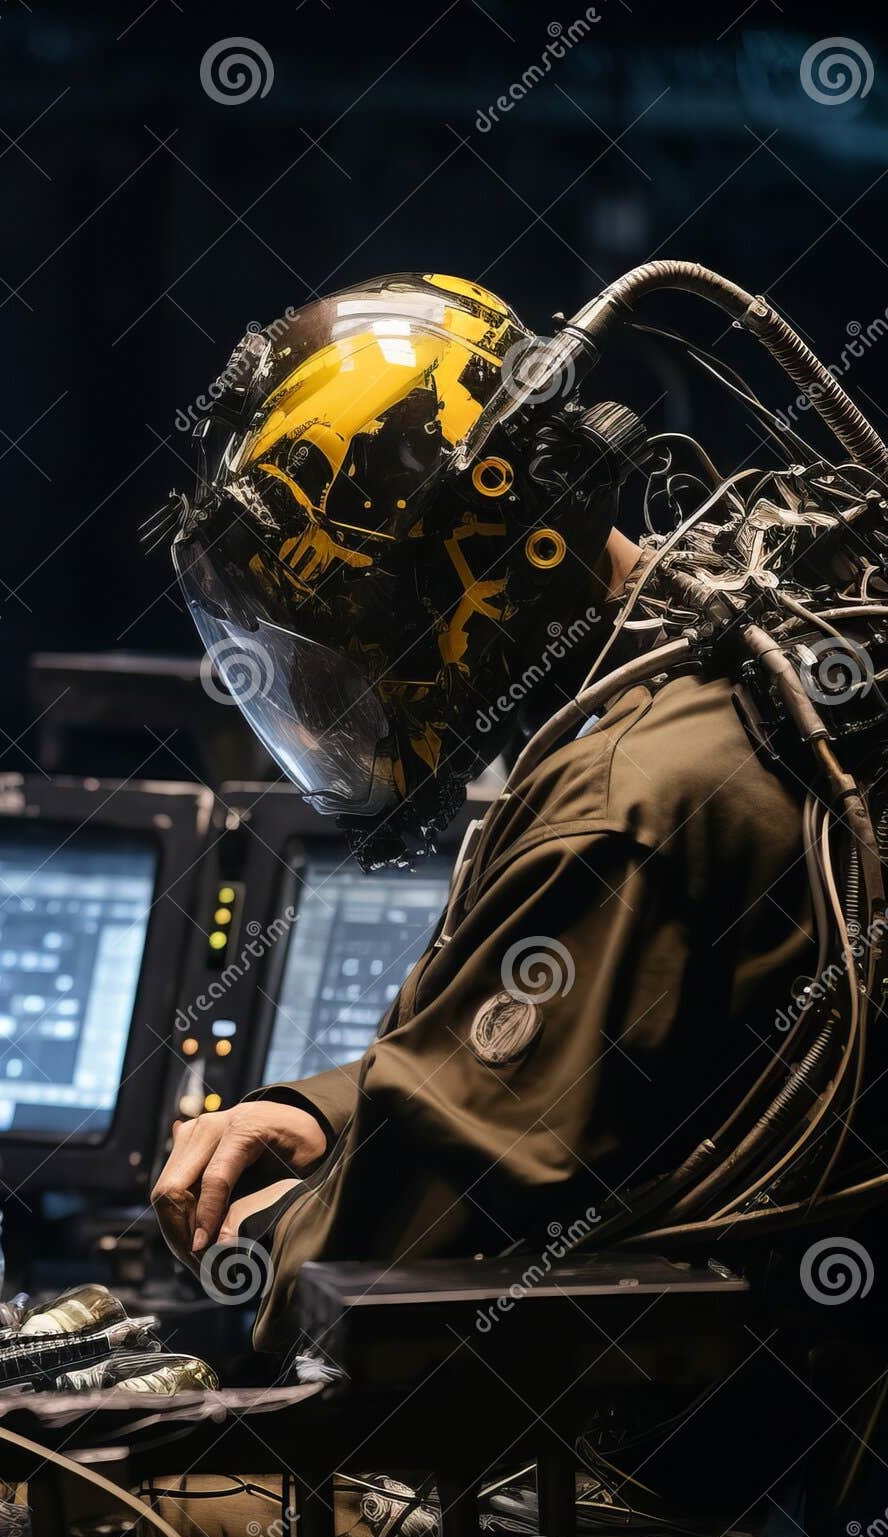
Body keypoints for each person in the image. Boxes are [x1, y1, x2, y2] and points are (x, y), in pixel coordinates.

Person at [150, 272, 821, 1354]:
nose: (331, 719)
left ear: (487, 557)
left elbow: (385, 1280)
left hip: (654, 1490)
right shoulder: (682, 682)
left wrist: (272, 1235)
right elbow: (526, 1078)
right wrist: (329, 1112)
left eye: (342, 666)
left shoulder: (622, 804)